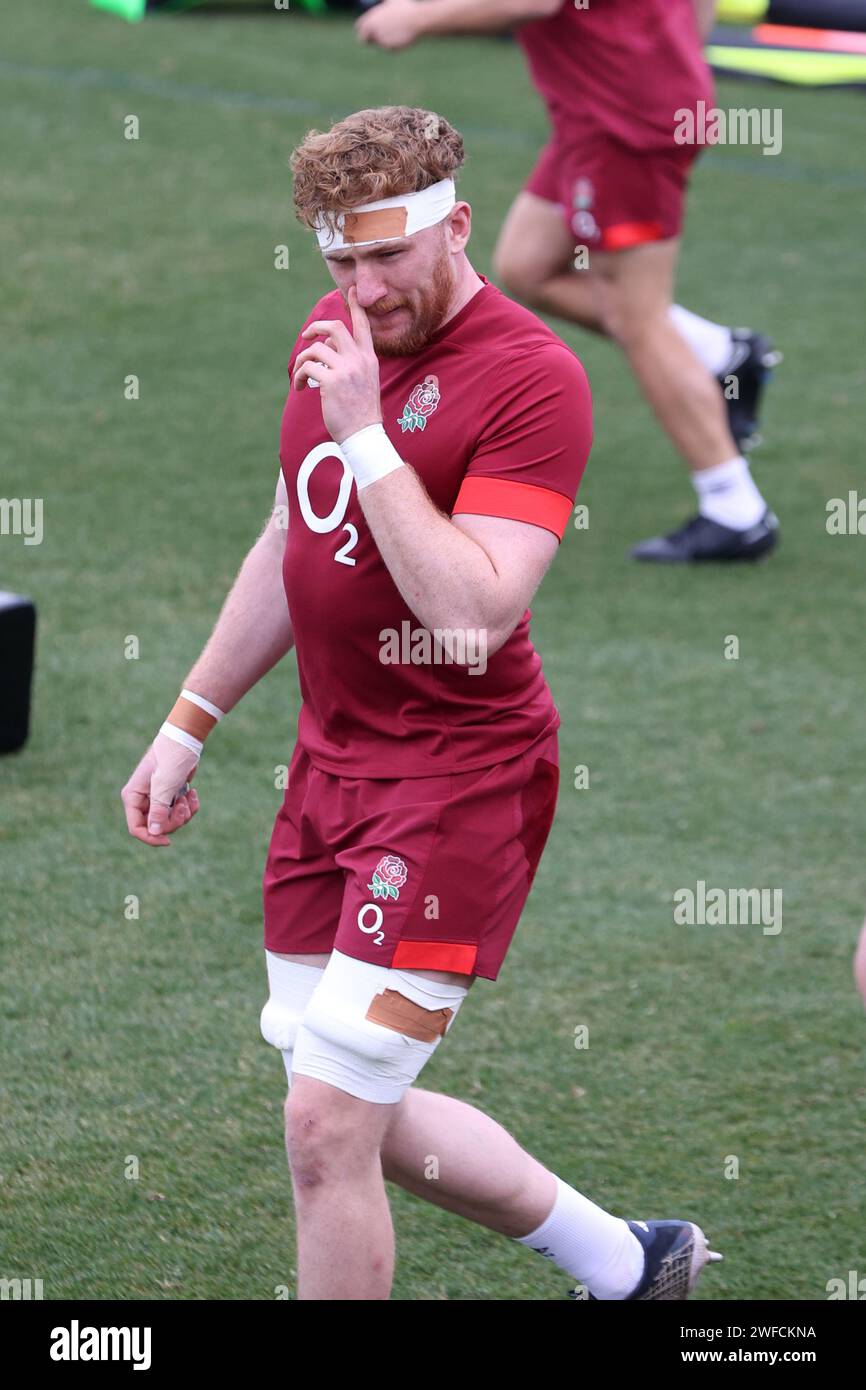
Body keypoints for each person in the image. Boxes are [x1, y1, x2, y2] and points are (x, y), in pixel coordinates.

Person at [121, 106, 721, 1300]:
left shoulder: (530, 378)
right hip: (329, 769)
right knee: (335, 1092)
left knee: (324, 1127)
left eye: (387, 255)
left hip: (457, 782)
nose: (364, 287)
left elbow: (471, 615)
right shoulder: (335, 328)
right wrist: (188, 721)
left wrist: (368, 433)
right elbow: (297, 523)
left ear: (454, 228)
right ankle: (627, 1262)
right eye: (339, 260)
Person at [357, 0, 781, 563]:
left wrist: (416, 15)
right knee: (528, 265)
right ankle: (723, 354)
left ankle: (736, 510)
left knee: (639, 317)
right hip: (610, 106)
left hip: (625, 120)